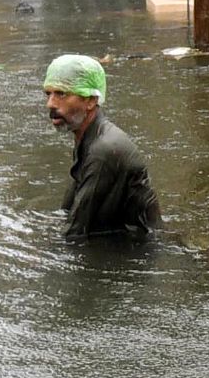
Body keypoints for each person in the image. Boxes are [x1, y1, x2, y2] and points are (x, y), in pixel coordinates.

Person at [42, 54, 161, 240]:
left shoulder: (103, 150)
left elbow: (75, 234)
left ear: (90, 101)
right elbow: (67, 212)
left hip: (140, 249)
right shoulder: (88, 138)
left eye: (62, 94)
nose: (50, 103)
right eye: (48, 94)